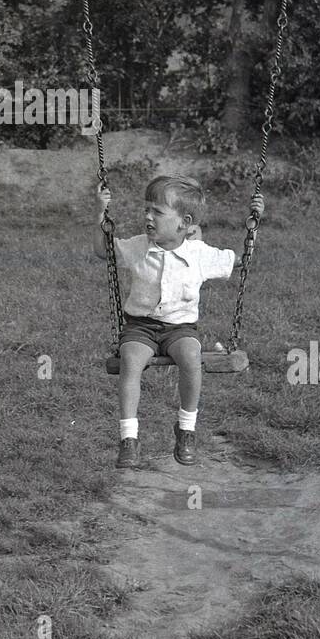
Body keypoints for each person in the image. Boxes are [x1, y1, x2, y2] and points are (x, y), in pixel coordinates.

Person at [96, 174, 262, 469]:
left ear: (184, 223)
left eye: (157, 212)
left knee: (191, 356)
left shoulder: (198, 253)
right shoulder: (137, 247)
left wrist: (254, 225)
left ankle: (186, 429)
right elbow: (102, 251)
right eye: (146, 209)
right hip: (140, 327)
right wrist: (101, 213)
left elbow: (240, 259)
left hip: (180, 329)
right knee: (130, 360)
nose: (148, 217)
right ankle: (128, 439)